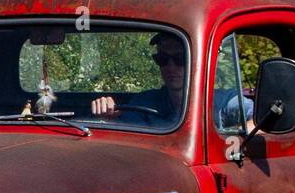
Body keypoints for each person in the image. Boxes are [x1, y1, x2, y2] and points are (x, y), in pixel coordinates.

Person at [90, 32, 252, 130]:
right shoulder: (144, 102)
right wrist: (108, 118)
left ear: (196, 61)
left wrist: (229, 136)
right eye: (162, 59)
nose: (170, 66)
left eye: (180, 58)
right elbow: (128, 141)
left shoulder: (221, 102)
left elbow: (264, 122)